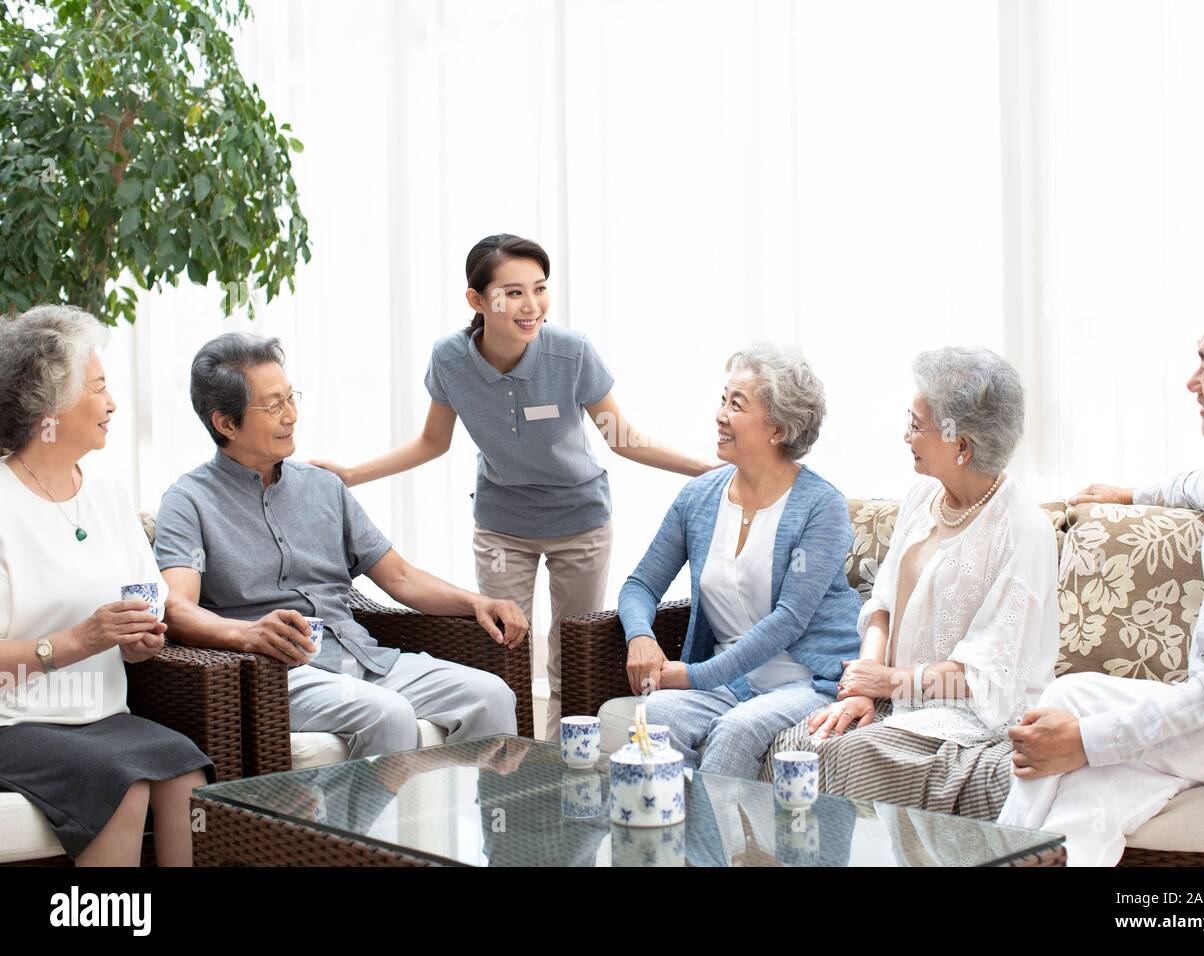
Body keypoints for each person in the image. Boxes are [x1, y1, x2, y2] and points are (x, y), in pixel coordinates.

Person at [311, 234, 719, 739]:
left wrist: (709, 471)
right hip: (503, 526)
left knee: (573, 651)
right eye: (514, 292)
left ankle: (566, 760)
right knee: (505, 645)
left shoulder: (570, 353)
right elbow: (432, 442)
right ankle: (517, 761)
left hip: (580, 523)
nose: (532, 306)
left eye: (540, 289)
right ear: (477, 301)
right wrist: (351, 475)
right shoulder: (450, 360)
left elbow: (622, 438)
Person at [997, 284, 1204, 865]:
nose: (1192, 384)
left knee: (1072, 701)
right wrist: (1129, 492)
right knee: (1098, 787)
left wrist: (1086, 741)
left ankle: (997, 854)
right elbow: (1196, 485)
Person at [155, 333, 525, 759]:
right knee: (388, 714)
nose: (290, 415)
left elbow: (400, 577)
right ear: (225, 423)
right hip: (281, 671)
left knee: (491, 695)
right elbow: (176, 608)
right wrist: (247, 634)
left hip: (363, 656)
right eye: (273, 405)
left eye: (291, 397)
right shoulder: (188, 501)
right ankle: (372, 830)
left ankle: (481, 823)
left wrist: (477, 602)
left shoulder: (324, 488)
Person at [765, 347, 1058, 820]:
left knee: (847, 755)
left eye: (917, 425)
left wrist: (890, 682)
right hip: (897, 697)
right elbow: (881, 605)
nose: (905, 435)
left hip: (973, 713)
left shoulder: (1023, 530)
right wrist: (863, 685)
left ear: (961, 445)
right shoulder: (923, 496)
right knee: (802, 743)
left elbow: (989, 678)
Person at [0, 305, 213, 866]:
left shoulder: (107, 493)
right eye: (97, 388)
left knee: (186, 769)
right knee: (123, 786)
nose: (113, 403)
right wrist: (79, 641)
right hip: (16, 720)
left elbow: (147, 604)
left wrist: (141, 642)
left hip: (104, 714)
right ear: (50, 406)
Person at [618, 344, 861, 779]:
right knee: (655, 718)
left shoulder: (821, 506)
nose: (720, 414)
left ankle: (714, 849)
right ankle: (662, 839)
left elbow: (789, 619)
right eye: (723, 399)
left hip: (807, 681)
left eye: (737, 404)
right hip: (732, 681)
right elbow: (640, 584)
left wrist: (695, 676)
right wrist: (640, 636)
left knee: (736, 730)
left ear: (777, 429)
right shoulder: (700, 497)